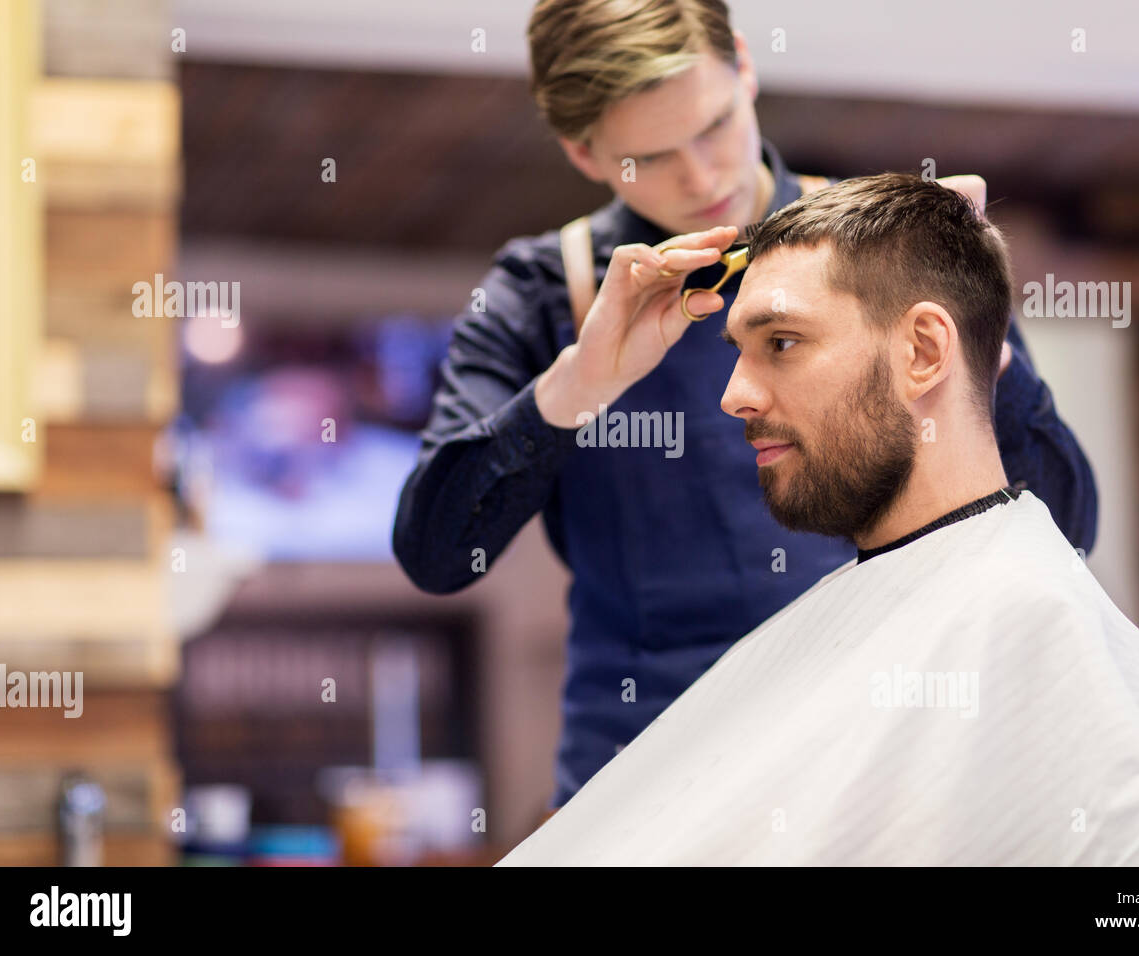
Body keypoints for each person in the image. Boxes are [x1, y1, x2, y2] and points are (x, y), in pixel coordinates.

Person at [392, 0, 1098, 818]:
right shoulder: (540, 291)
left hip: (871, 743)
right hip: (648, 768)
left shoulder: (889, 249)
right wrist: (577, 386)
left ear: (743, 65)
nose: (702, 177)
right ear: (583, 154)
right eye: (650, 157)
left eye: (714, 124)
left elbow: (1067, 529)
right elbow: (437, 555)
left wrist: (976, 345)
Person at [495, 173, 1139, 865]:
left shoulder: (1025, 620)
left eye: (781, 341)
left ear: (924, 352)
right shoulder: (858, 610)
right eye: (739, 348)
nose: (733, 394)